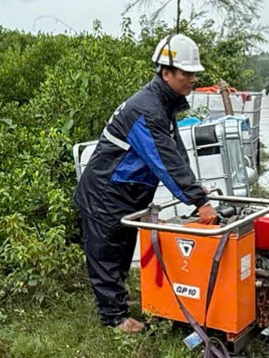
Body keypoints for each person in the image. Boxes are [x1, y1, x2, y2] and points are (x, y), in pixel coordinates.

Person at [73, 33, 218, 333]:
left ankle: (118, 305)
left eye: (194, 73)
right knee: (106, 254)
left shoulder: (163, 105)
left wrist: (195, 189)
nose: (192, 79)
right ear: (166, 73)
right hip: (106, 191)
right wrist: (199, 202)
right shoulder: (146, 109)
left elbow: (176, 151)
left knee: (122, 250)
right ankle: (114, 319)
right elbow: (163, 159)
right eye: (186, 73)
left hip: (127, 192)